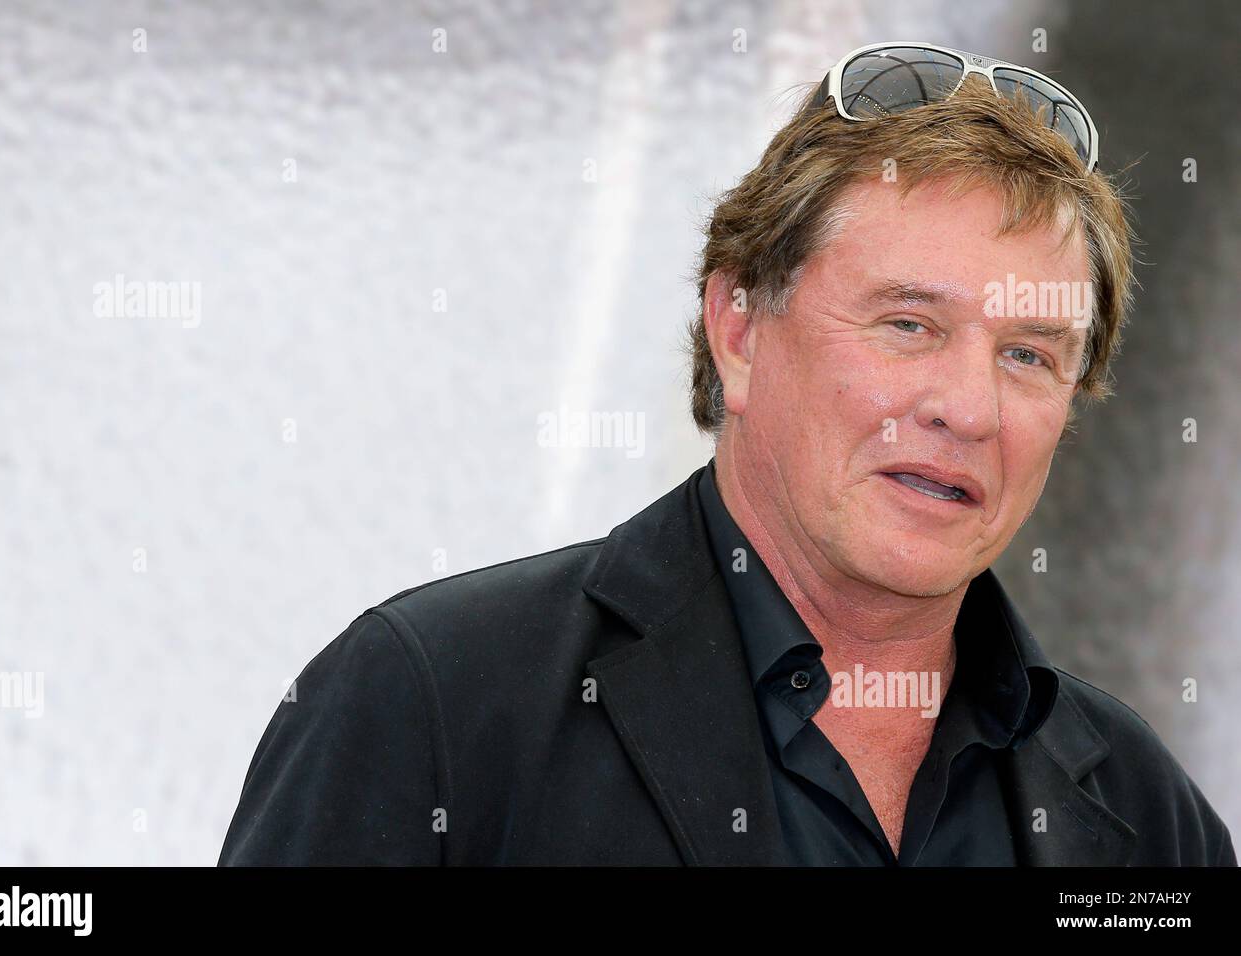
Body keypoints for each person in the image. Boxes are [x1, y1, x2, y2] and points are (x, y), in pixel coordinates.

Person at [219, 43, 1235, 866]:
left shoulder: (1146, 819)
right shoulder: (434, 706)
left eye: (1027, 354)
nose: (967, 407)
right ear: (739, 330)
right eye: (907, 325)